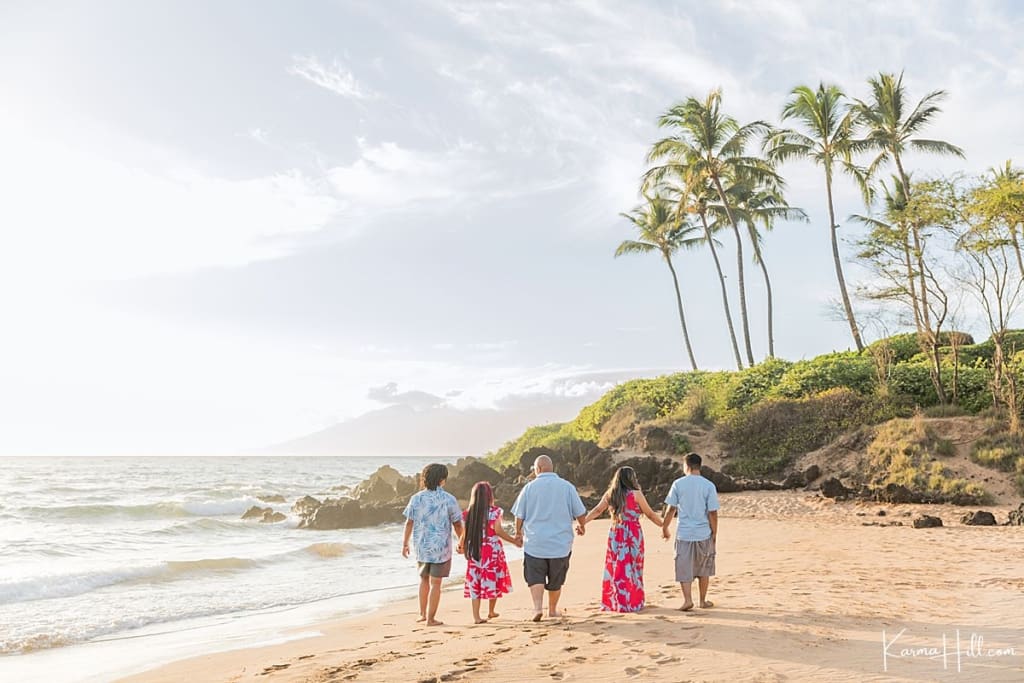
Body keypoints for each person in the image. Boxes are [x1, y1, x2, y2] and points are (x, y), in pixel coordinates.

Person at [510, 454, 587, 622]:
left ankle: (538, 608)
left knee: (535, 576)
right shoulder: (567, 487)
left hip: (535, 543)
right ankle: (552, 610)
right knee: (556, 579)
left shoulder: (529, 488)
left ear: (537, 469)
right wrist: (582, 525)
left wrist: (518, 533)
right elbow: (580, 512)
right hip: (560, 544)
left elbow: (519, 514)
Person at [583, 466, 664, 612]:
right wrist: (663, 526)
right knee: (634, 567)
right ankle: (632, 601)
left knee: (616, 566)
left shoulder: (611, 494)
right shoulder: (636, 494)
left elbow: (597, 510)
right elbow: (650, 514)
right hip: (633, 534)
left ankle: (616, 601)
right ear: (631, 478)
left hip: (616, 533)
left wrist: (583, 523)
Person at [402, 463, 464, 626]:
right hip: (441, 549)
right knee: (436, 584)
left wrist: (405, 543)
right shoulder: (448, 499)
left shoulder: (416, 498)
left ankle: (422, 614)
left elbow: (409, 522)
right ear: (442, 480)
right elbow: (457, 524)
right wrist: (462, 542)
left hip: (422, 548)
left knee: (423, 580)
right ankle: (431, 619)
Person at [662, 452, 719, 612]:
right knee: (704, 567)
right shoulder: (708, 485)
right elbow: (712, 512)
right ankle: (702, 600)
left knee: (684, 566)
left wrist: (665, 527)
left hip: (684, 534)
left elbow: (671, 509)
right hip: (703, 533)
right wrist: (714, 532)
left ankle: (687, 600)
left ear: (686, 466)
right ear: (699, 466)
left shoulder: (678, 484)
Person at [457, 481, 520, 624]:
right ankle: (491, 611)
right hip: (492, 551)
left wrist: (460, 546)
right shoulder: (495, 512)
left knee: (476, 581)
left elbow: (465, 533)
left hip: (476, 550)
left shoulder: (468, 514)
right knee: (493, 578)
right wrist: (513, 540)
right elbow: (498, 531)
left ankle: (476, 616)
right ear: (490, 496)